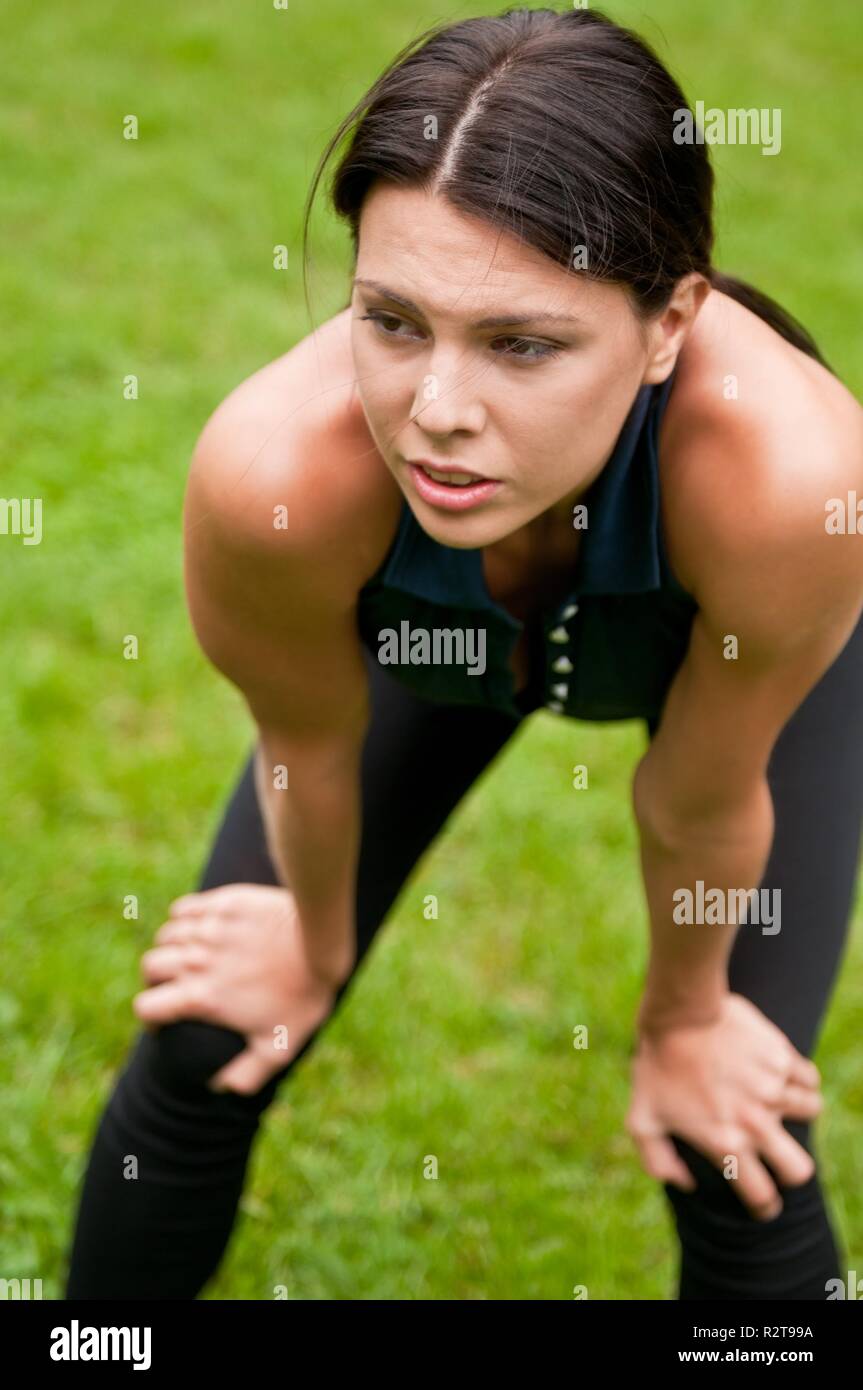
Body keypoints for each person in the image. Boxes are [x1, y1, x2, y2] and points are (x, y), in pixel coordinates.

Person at [64, 6, 863, 1300]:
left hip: (728, 676)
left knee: (734, 1130)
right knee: (218, 1027)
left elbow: (702, 797)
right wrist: (308, 945)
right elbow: (307, 742)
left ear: (669, 326)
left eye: (523, 343)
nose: (436, 413)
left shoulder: (793, 483)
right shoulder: (278, 477)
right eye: (391, 319)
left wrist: (681, 1022)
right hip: (435, 643)